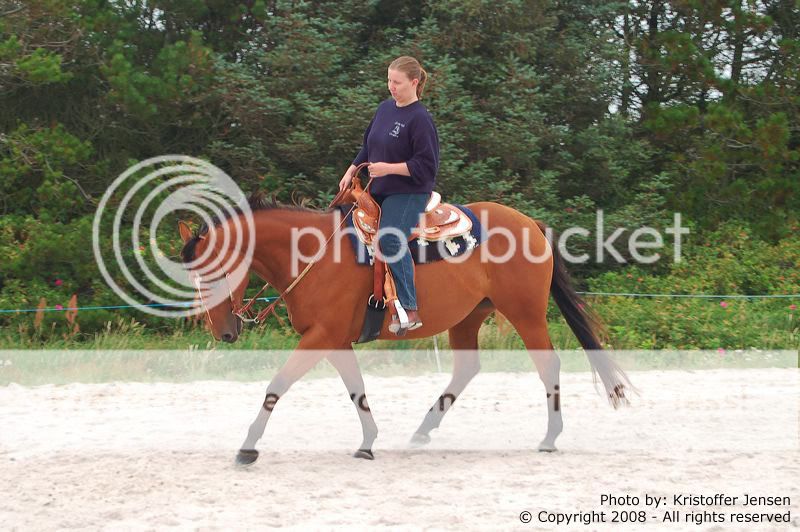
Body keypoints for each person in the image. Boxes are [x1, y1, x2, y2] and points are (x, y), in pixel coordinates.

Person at [339, 56, 440, 335]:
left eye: (397, 82)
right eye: (388, 80)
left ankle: (409, 307)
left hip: (409, 192)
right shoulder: (384, 109)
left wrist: (388, 168)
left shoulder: (420, 119)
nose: (391, 87)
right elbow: (367, 146)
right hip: (378, 190)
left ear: (414, 83)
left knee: (390, 237)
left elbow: (427, 166)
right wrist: (351, 170)